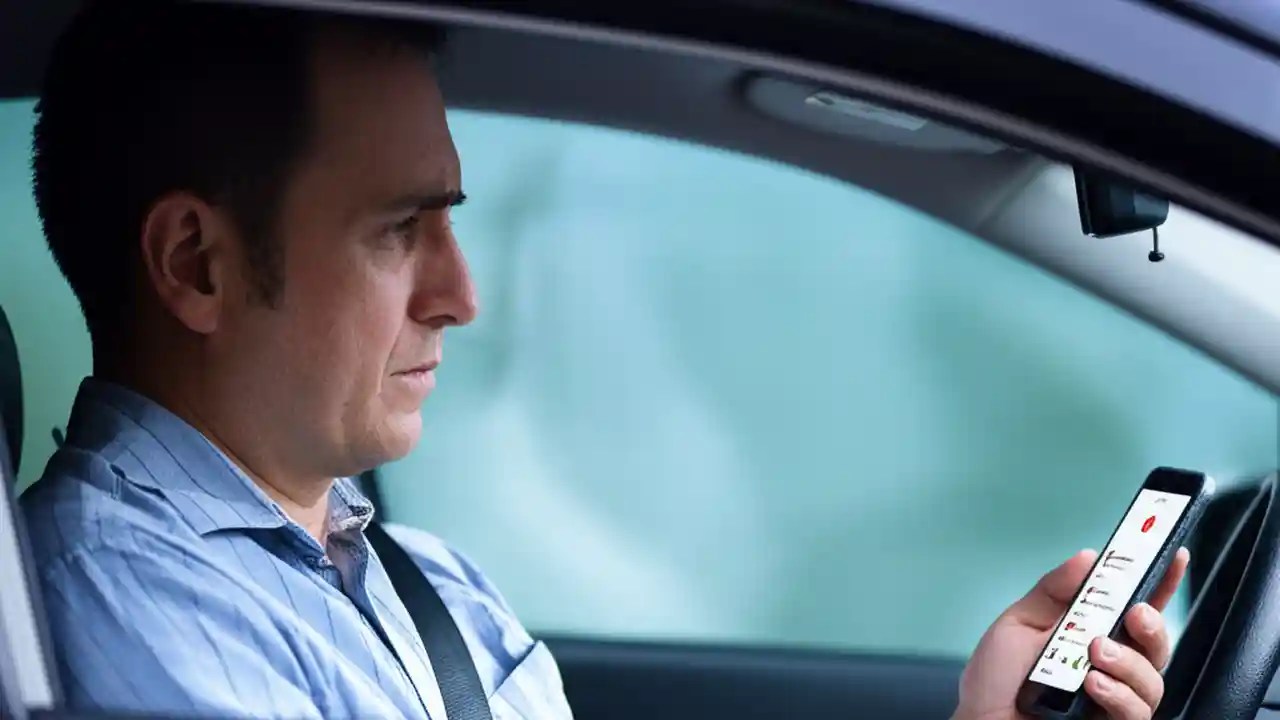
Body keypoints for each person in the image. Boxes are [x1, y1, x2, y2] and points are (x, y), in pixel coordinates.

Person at [20, 1, 1185, 719]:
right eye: (396, 230)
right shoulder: (124, 598)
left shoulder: (419, 576)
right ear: (196, 264)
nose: (460, 296)